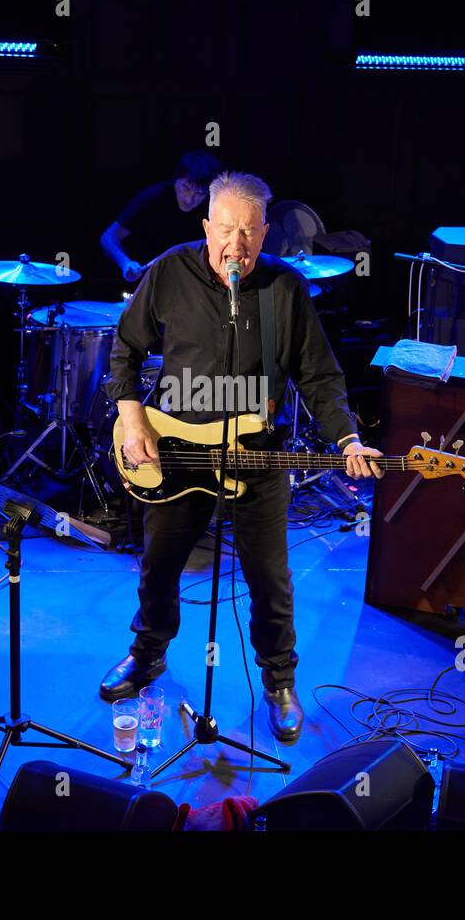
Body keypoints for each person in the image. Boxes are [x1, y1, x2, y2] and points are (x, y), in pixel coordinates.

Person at [100, 171, 384, 742]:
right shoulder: (168, 272)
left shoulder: (286, 290)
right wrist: (133, 422)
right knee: (159, 566)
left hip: (257, 458)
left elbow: (319, 376)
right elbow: (125, 351)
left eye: (250, 233)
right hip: (176, 455)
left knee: (270, 579)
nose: (238, 244)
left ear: (264, 234)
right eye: (227, 229)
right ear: (206, 226)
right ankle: (147, 653)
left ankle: (279, 682)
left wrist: (348, 439)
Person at [100, 150, 223, 282]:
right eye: (186, 187)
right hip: (137, 282)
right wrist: (125, 263)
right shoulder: (153, 198)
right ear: (177, 179)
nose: (189, 199)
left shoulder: (211, 208)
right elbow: (108, 237)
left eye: (200, 193)